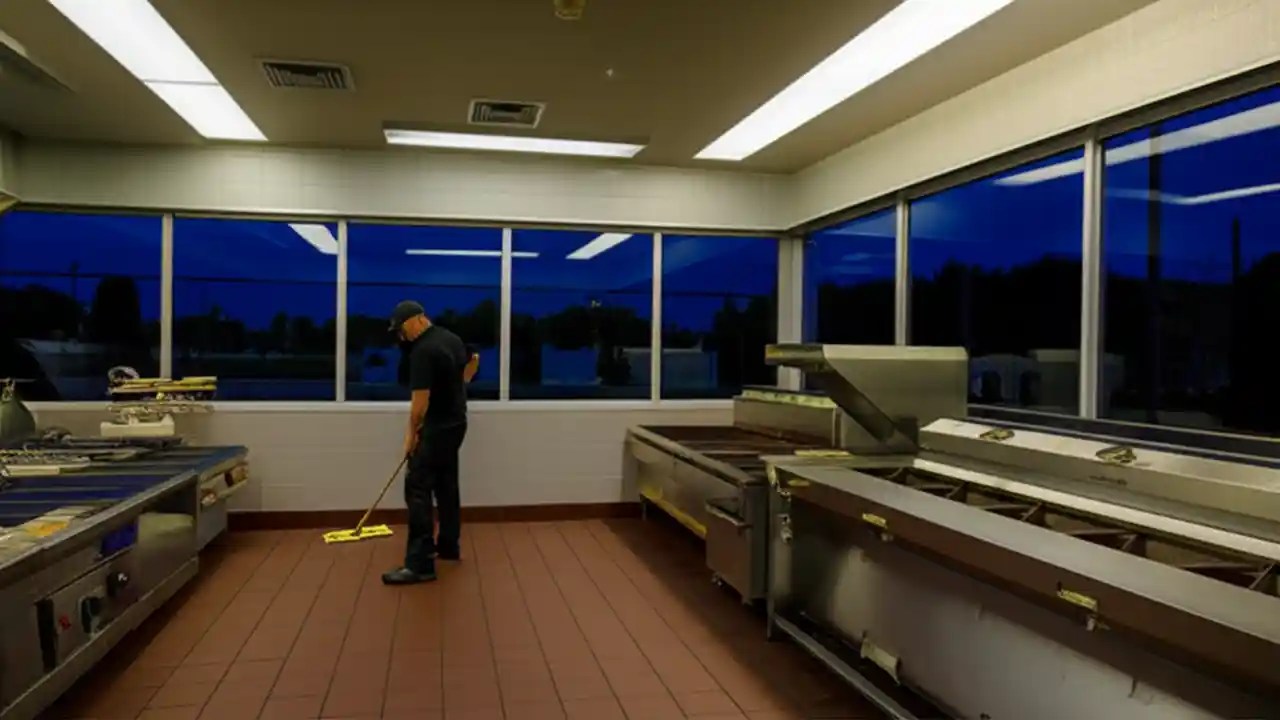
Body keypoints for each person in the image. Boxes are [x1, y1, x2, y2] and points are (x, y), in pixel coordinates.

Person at [382, 300, 479, 585]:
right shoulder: (450, 338)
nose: (401, 337)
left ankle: (419, 564)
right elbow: (473, 360)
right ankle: (448, 545)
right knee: (446, 484)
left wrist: (411, 438)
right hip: (456, 423)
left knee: (417, 489)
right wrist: (458, 385)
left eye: (402, 329)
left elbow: (419, 407)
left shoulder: (423, 351)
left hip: (436, 428)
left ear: (417, 319)